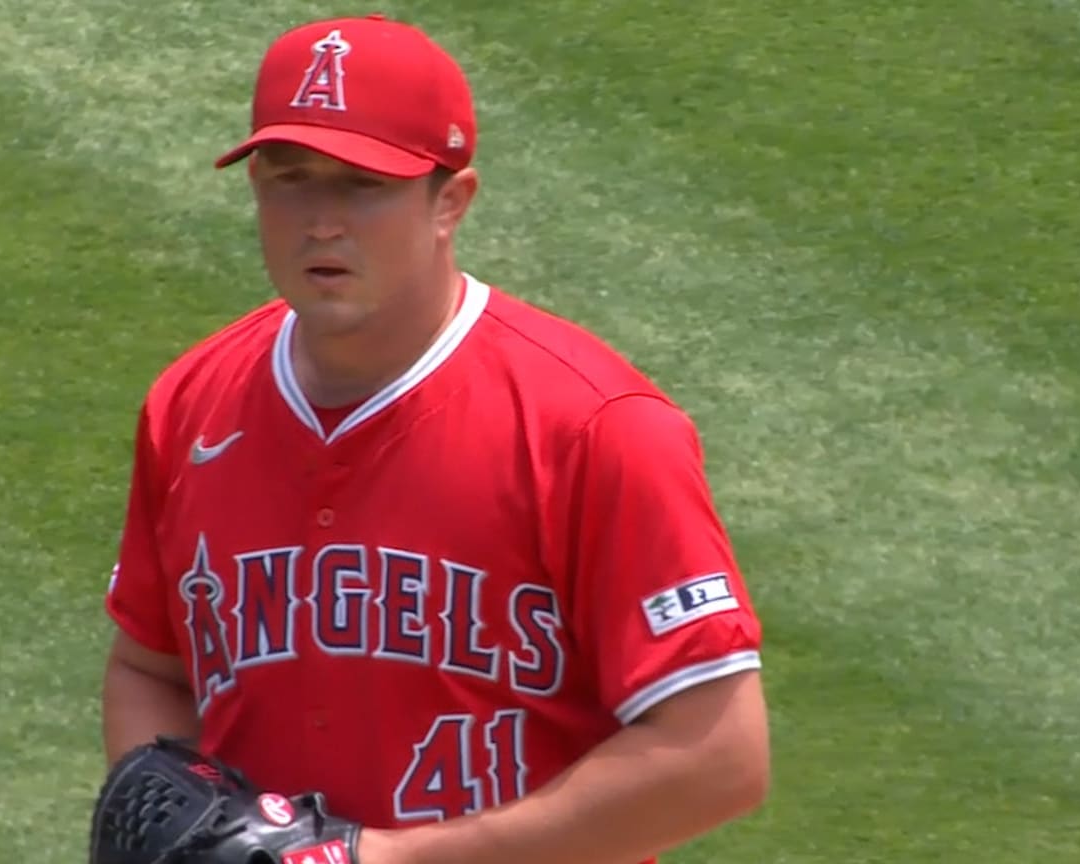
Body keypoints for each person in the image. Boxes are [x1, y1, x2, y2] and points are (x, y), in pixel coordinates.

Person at [100, 13, 771, 864]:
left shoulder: (594, 427)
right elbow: (149, 669)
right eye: (290, 177)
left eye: (363, 183)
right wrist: (174, 827)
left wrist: (386, 860)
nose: (321, 221)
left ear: (450, 201)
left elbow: (718, 755)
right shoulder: (192, 403)